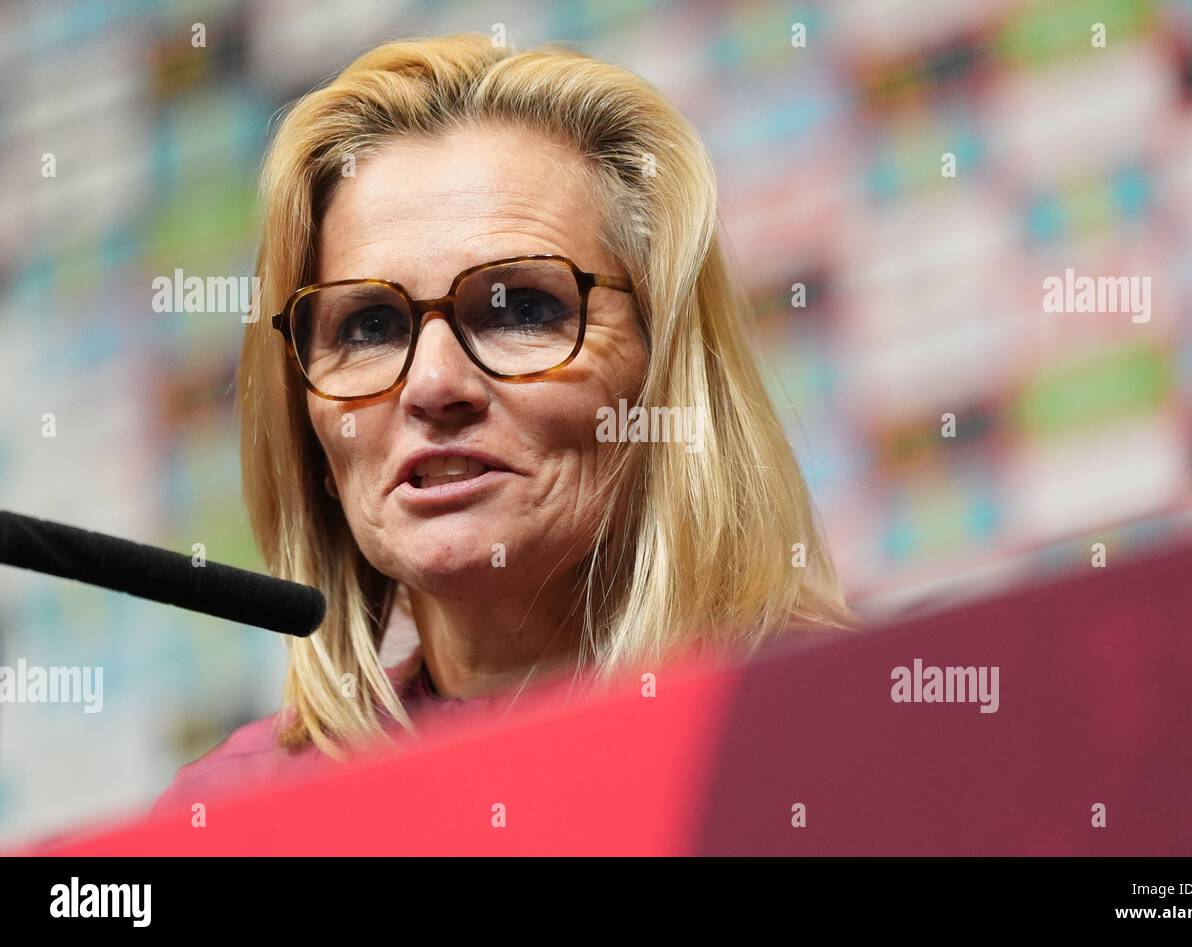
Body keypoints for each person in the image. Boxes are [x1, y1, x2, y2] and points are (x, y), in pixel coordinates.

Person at [154, 32, 852, 815]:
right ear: (310, 433)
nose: (434, 384)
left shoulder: (854, 737)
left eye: (522, 308)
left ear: (665, 378)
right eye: (368, 327)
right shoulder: (227, 815)